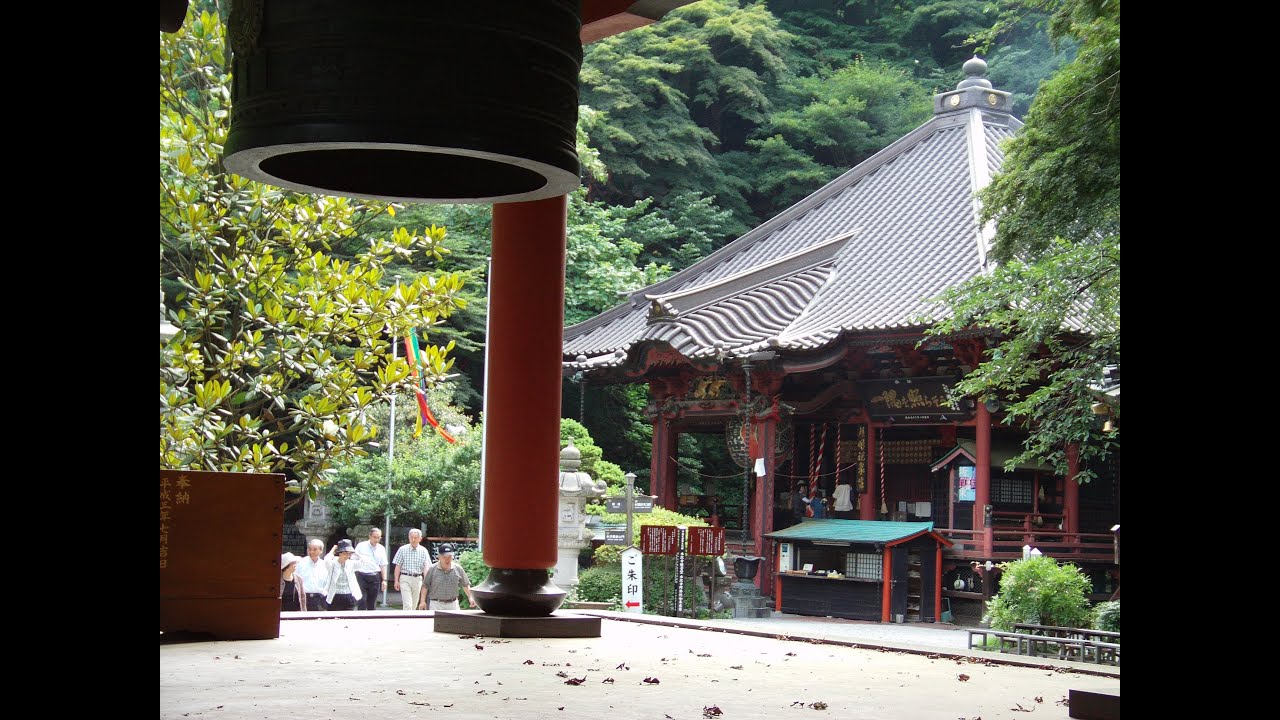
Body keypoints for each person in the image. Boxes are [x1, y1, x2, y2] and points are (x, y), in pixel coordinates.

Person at [418, 543, 475, 611]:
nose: (447, 559)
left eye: (449, 557)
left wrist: (470, 597)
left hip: (453, 604)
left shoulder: (458, 568)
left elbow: (465, 584)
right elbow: (425, 586)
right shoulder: (432, 569)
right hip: (436, 604)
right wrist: (422, 601)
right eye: (444, 557)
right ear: (439, 556)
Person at [391, 529, 432, 611]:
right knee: (408, 604)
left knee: (414, 604)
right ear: (408, 538)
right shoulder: (402, 549)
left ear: (420, 539)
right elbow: (398, 565)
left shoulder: (423, 551)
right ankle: (406, 621)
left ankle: (410, 620)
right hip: (405, 578)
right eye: (411, 537)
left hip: (418, 579)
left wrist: (426, 581)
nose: (413, 540)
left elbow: (426, 567)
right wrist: (396, 580)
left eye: (415, 538)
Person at [323, 539, 363, 611]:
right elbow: (326, 560)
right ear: (339, 553)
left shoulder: (351, 563)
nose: (347, 556)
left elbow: (363, 562)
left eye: (349, 553)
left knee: (348, 619)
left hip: (349, 595)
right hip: (334, 596)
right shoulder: (333, 563)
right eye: (345, 553)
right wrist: (332, 551)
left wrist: (355, 552)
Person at [353, 528, 389, 610]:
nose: (376, 539)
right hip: (362, 575)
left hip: (375, 576)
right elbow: (353, 559)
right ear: (370, 536)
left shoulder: (381, 548)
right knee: (362, 600)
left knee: (372, 602)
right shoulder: (361, 545)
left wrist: (384, 580)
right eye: (375, 537)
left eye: (378, 537)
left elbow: (383, 564)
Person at [294, 539, 330, 611]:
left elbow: (328, 582)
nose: (311, 552)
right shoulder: (300, 563)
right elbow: (295, 580)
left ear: (321, 550)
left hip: (320, 598)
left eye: (314, 549)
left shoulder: (325, 565)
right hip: (304, 597)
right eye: (309, 549)